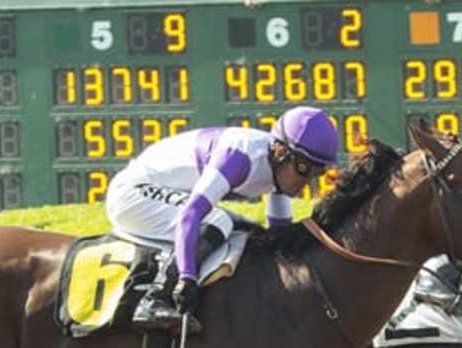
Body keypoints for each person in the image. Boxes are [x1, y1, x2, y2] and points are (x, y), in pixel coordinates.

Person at [106, 106, 339, 332]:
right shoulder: (238, 156)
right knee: (217, 222)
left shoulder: (278, 168)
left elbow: (278, 237)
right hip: (131, 194)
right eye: (303, 168)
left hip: (159, 193)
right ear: (280, 152)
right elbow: (191, 214)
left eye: (316, 172)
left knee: (249, 231)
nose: (307, 180)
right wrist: (187, 278)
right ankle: (155, 298)